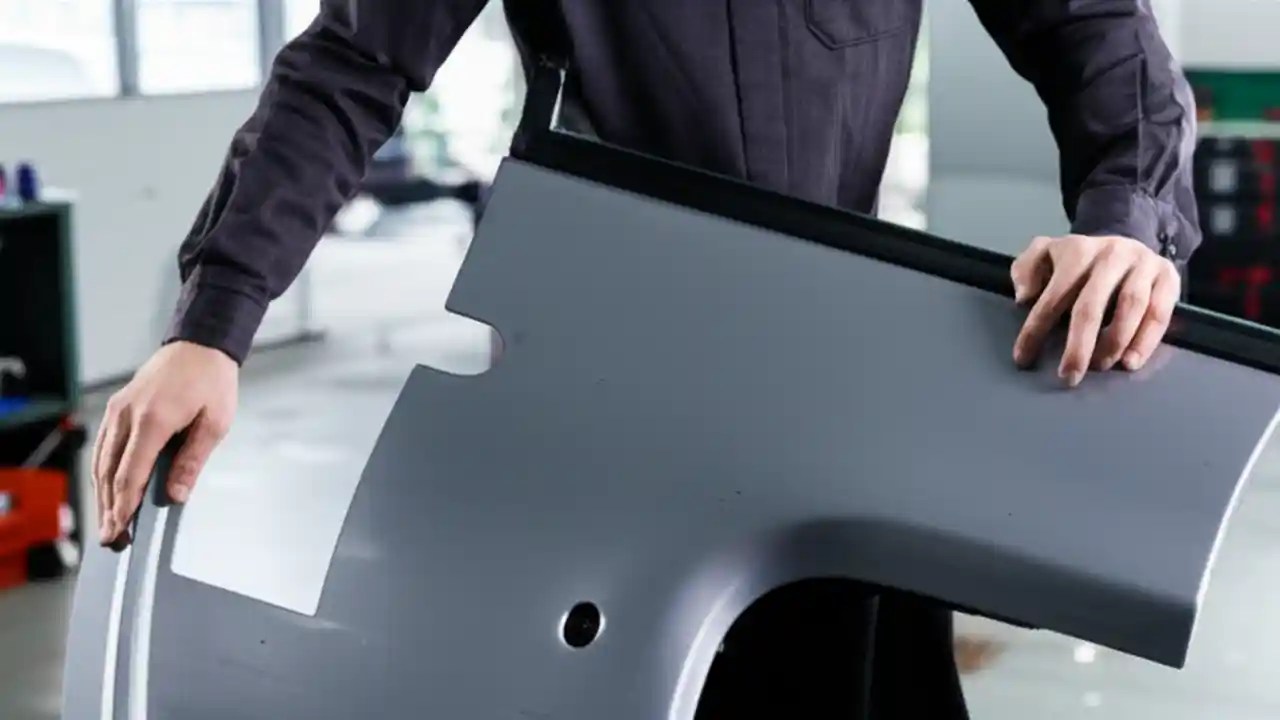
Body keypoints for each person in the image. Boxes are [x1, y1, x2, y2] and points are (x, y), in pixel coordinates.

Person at [90, 1, 1199, 717]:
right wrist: (214, 318)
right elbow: (348, 68)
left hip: (831, 402)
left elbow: (1094, 29)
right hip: (594, 394)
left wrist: (1127, 220)